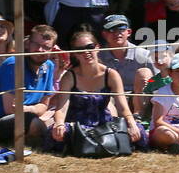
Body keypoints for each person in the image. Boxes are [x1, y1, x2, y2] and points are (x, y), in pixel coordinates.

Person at [45, 26, 142, 154]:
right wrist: (59, 124)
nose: (86, 53)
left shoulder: (111, 74)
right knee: (57, 133)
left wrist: (131, 123)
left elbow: (123, 107)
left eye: (90, 47)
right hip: (77, 126)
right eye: (80, 50)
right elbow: (61, 109)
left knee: (138, 130)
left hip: (105, 124)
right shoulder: (69, 77)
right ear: (74, 54)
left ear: (97, 47)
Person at [0, 25, 59, 148]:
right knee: (35, 123)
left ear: (52, 50)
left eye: (46, 47)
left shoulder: (48, 66)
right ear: (28, 43)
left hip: (21, 117)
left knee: (54, 121)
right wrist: (35, 110)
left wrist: (29, 109)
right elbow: (10, 109)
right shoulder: (14, 64)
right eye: (36, 44)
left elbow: (44, 105)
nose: (40, 50)